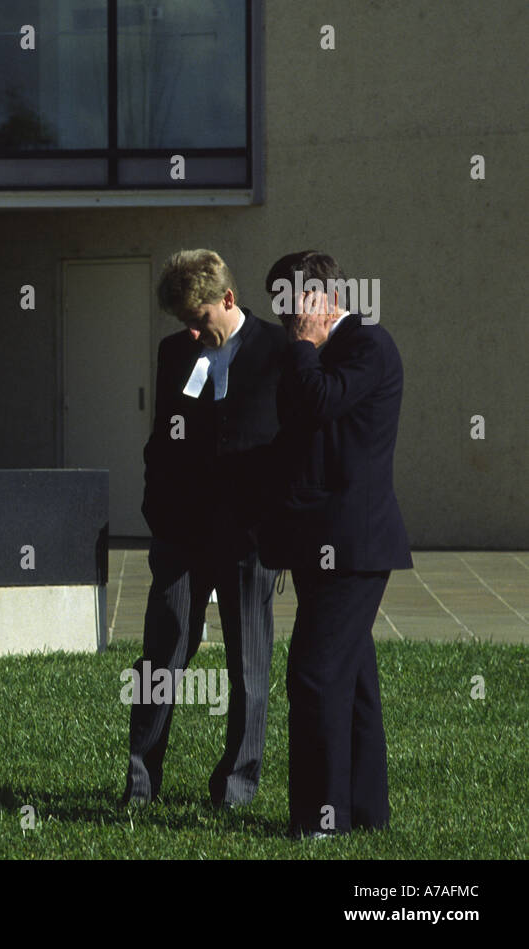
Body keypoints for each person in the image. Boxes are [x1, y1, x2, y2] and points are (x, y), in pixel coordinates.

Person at [123, 249, 286, 808]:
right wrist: (156, 509)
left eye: (200, 320)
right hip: (180, 536)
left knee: (248, 666)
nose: (193, 332)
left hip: (248, 539)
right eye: (183, 323)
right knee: (161, 660)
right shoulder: (176, 354)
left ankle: (236, 791)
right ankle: (141, 786)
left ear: (228, 300)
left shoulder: (277, 353)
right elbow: (159, 442)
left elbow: (290, 448)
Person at [259, 250, 412, 838]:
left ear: (318, 301)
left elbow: (319, 403)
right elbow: (296, 435)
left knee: (316, 675)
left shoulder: (367, 345)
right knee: (351, 682)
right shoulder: (312, 355)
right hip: (317, 540)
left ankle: (322, 822)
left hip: (355, 544)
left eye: (288, 309)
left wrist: (302, 346)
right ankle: (366, 813)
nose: (285, 325)